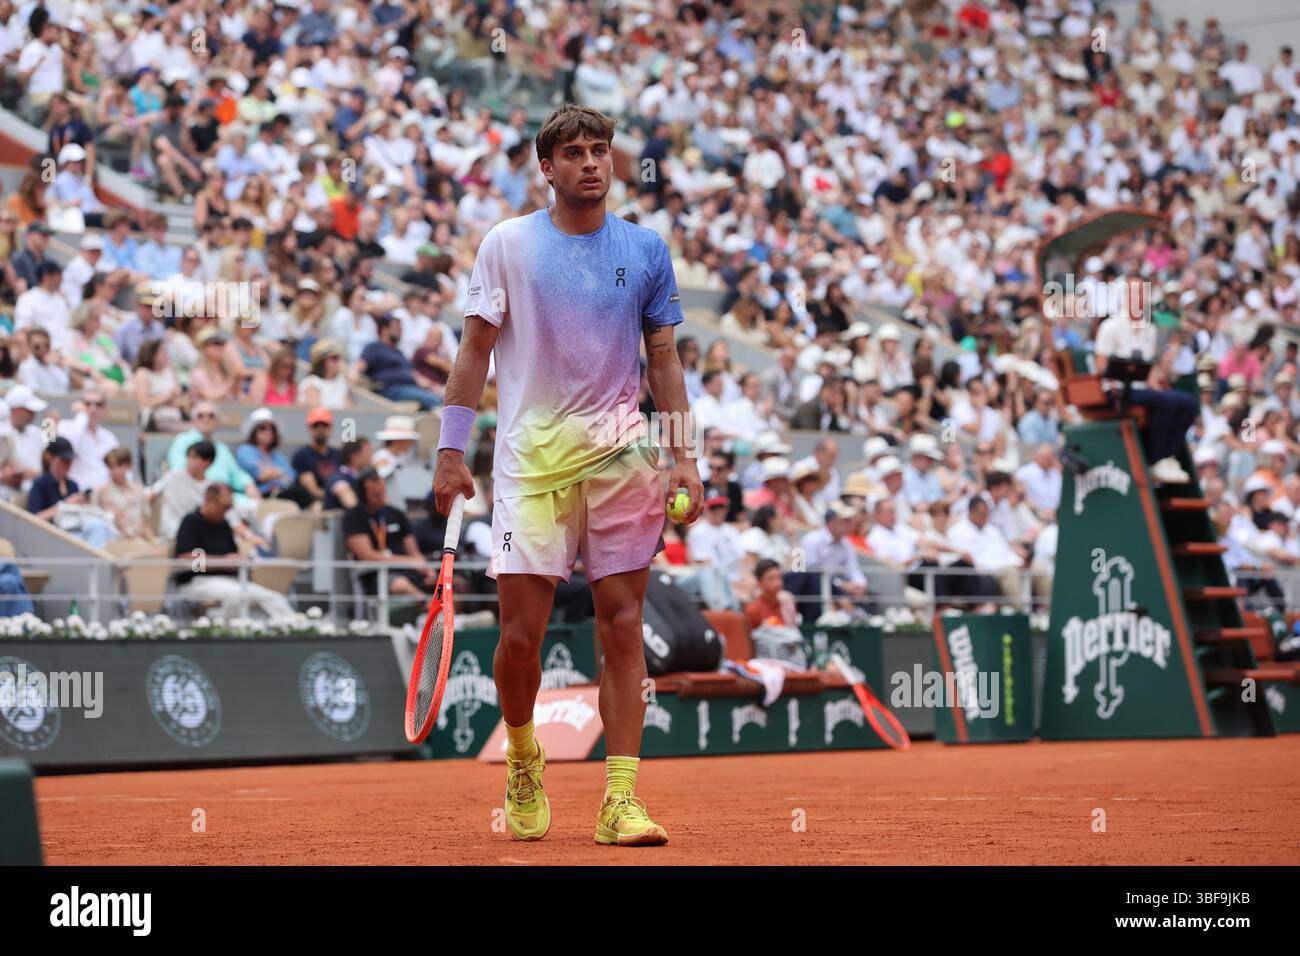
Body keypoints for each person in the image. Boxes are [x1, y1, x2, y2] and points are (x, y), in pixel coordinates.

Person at [431, 105, 700, 847]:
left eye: (601, 150)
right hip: (532, 467)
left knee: (622, 626)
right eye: (574, 152)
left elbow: (665, 360)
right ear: (545, 167)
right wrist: (452, 452)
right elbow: (473, 352)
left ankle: (620, 801)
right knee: (521, 639)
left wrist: (685, 456)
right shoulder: (508, 245)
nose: (591, 162)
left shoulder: (646, 249)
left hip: (623, 462)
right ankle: (523, 754)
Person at [1094, 306, 1198, 484]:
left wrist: (1156, 383)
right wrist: (1118, 377)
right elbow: (1101, 367)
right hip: (1117, 389)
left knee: (1190, 403)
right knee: (1166, 402)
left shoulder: (1149, 329)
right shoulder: (1110, 326)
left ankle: (1168, 457)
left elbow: (1150, 369)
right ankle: (1155, 460)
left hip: (1142, 389)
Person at [172, 483, 293, 619]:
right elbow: (185, 560)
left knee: (274, 598)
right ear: (209, 500)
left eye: (229, 507)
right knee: (237, 596)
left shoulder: (223, 524)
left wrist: (241, 560)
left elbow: (230, 557)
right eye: (224, 506)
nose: (226, 511)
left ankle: (295, 630)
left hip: (231, 580)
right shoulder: (192, 521)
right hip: (197, 582)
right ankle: (223, 631)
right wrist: (224, 561)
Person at [342, 468, 436, 597]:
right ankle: (430, 609)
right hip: (375, 575)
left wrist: (427, 570)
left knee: (447, 583)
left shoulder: (395, 513)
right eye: (375, 494)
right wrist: (409, 562)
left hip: (407, 571)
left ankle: (450, 614)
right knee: (401, 585)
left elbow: (414, 552)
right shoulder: (354, 516)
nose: (381, 496)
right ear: (363, 494)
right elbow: (367, 556)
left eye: (382, 492)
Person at [27, 438, 118, 549]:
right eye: (64, 461)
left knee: (102, 527)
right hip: (52, 537)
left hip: (76, 530)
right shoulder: (40, 484)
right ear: (51, 458)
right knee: (96, 528)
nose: (68, 465)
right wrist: (64, 505)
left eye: (70, 461)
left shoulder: (72, 485)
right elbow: (33, 519)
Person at [355, 315, 443, 409]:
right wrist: (354, 375)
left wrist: (433, 386)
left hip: (412, 388)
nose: (400, 331)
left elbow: (414, 375)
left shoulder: (399, 352)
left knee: (440, 397)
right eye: (397, 328)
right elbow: (360, 365)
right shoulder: (374, 347)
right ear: (385, 330)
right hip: (392, 389)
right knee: (433, 400)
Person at [236, 407, 313, 507]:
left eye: (271, 429)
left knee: (302, 494)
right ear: (254, 431)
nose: (268, 432)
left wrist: (274, 473)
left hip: (281, 493)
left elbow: (291, 477)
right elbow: (261, 475)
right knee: (300, 495)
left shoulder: (277, 456)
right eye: (263, 428)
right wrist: (279, 473)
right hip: (261, 496)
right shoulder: (245, 450)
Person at [56, 390, 119, 491]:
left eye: (98, 405)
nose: (93, 409)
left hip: (106, 493)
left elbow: (118, 464)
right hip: (79, 492)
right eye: (88, 404)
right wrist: (82, 416)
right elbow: (70, 449)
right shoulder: (66, 427)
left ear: (104, 408)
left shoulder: (109, 437)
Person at [94, 447, 151, 541]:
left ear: (129, 465)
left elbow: (145, 525)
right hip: (114, 543)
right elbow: (95, 525)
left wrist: (154, 543)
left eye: (119, 465)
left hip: (139, 542)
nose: (115, 471)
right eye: (111, 466)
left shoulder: (138, 490)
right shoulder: (100, 492)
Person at [289, 406, 342, 504]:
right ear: (309, 428)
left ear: (331, 428)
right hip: (314, 503)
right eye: (316, 426)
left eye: (324, 425)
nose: (320, 429)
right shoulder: (302, 456)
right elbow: (313, 490)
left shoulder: (337, 454)